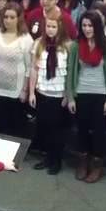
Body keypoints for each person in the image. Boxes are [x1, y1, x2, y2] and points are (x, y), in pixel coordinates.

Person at [66, 11, 106, 183]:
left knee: (99, 132)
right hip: (82, 93)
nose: (87, 29)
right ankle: (82, 162)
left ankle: (97, 165)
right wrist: (71, 97)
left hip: (100, 94)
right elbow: (70, 72)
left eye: (90, 25)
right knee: (82, 130)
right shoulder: (75, 45)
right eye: (84, 25)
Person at [29, 13, 71, 174]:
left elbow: (69, 73)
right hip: (42, 91)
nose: (51, 30)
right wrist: (32, 92)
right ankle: (47, 158)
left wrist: (68, 95)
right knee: (44, 126)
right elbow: (34, 68)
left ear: (60, 27)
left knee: (57, 129)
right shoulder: (39, 43)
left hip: (59, 94)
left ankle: (56, 160)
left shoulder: (67, 46)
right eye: (48, 26)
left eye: (54, 27)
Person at [0, 5, 34, 136]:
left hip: (16, 91)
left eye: (12, 17)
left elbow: (29, 68)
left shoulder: (26, 39)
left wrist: (25, 90)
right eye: (6, 17)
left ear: (19, 19)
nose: (8, 20)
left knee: (14, 128)